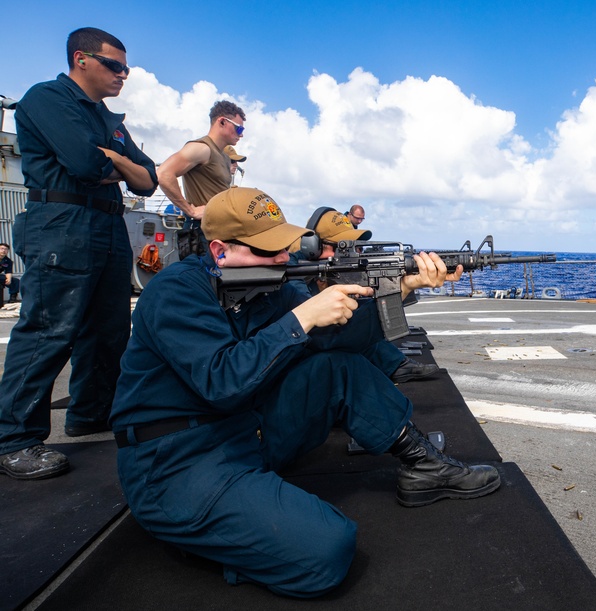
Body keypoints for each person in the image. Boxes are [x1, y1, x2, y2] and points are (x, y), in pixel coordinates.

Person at [110, 186, 500, 597]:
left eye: (283, 245)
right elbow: (220, 382)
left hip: (245, 430)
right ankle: (207, 539)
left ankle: (424, 466)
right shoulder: (176, 291)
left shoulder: (270, 284)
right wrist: (301, 319)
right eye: (267, 250)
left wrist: (403, 288)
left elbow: (341, 340)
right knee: (327, 549)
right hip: (176, 461)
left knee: (339, 367)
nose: (282, 258)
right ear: (220, 250)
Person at [0, 27, 157, 480]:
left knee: (108, 331)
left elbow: (147, 178)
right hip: (61, 222)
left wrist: (120, 162)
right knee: (49, 331)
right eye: (114, 65)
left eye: (126, 67)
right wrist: (114, 164)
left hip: (106, 223)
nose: (123, 74)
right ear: (81, 59)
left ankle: (90, 412)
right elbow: (88, 164)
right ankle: (14, 439)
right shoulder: (48, 99)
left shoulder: (107, 118)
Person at [293, 207, 439, 383]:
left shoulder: (324, 273)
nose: (354, 254)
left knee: (359, 313)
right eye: (341, 248)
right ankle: (392, 364)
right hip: (305, 364)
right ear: (313, 248)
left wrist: (402, 284)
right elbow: (323, 336)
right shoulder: (294, 274)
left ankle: (393, 363)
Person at [157, 100, 246, 254]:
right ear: (223, 122)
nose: (241, 134)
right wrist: (189, 210)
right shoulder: (202, 148)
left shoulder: (224, 156)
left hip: (218, 231)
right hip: (201, 231)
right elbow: (164, 173)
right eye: (238, 129)